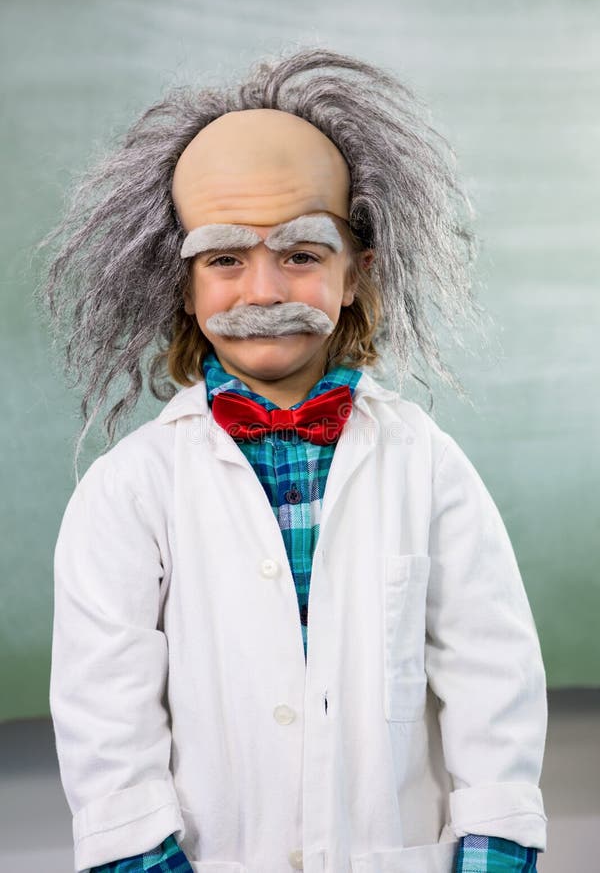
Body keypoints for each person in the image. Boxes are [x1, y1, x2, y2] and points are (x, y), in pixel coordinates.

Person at [42, 48, 547, 873]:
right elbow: (105, 713)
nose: (263, 290)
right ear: (182, 286)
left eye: (302, 254)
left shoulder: (426, 465)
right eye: (224, 258)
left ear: (357, 275)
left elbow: (493, 674)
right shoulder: (129, 490)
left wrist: (495, 846)